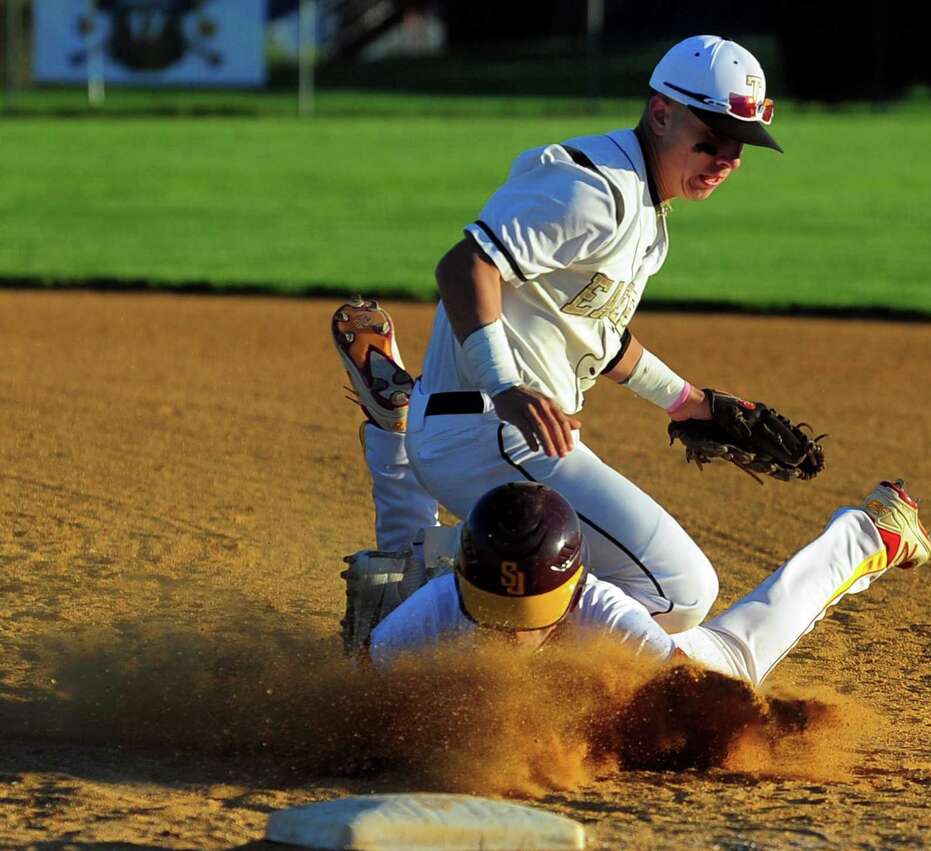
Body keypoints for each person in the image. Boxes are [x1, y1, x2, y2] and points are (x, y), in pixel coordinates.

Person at [333, 35, 786, 635]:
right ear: (660, 113)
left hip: (493, 430)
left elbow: (597, 337)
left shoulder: (645, 210)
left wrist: (690, 403)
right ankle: (419, 597)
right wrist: (508, 386)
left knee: (611, 584)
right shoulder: (595, 189)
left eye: (739, 146)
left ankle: (411, 567)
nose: (725, 158)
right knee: (676, 591)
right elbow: (464, 267)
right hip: (495, 429)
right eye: (710, 139)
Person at [368, 479, 931, 687]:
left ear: (572, 593)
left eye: (528, 615)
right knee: (394, 587)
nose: (513, 633)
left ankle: (869, 536)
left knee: (744, 650)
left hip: (667, 658)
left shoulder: (606, 614)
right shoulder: (432, 612)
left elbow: (694, 700)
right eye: (496, 611)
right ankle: (394, 426)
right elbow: (363, 689)